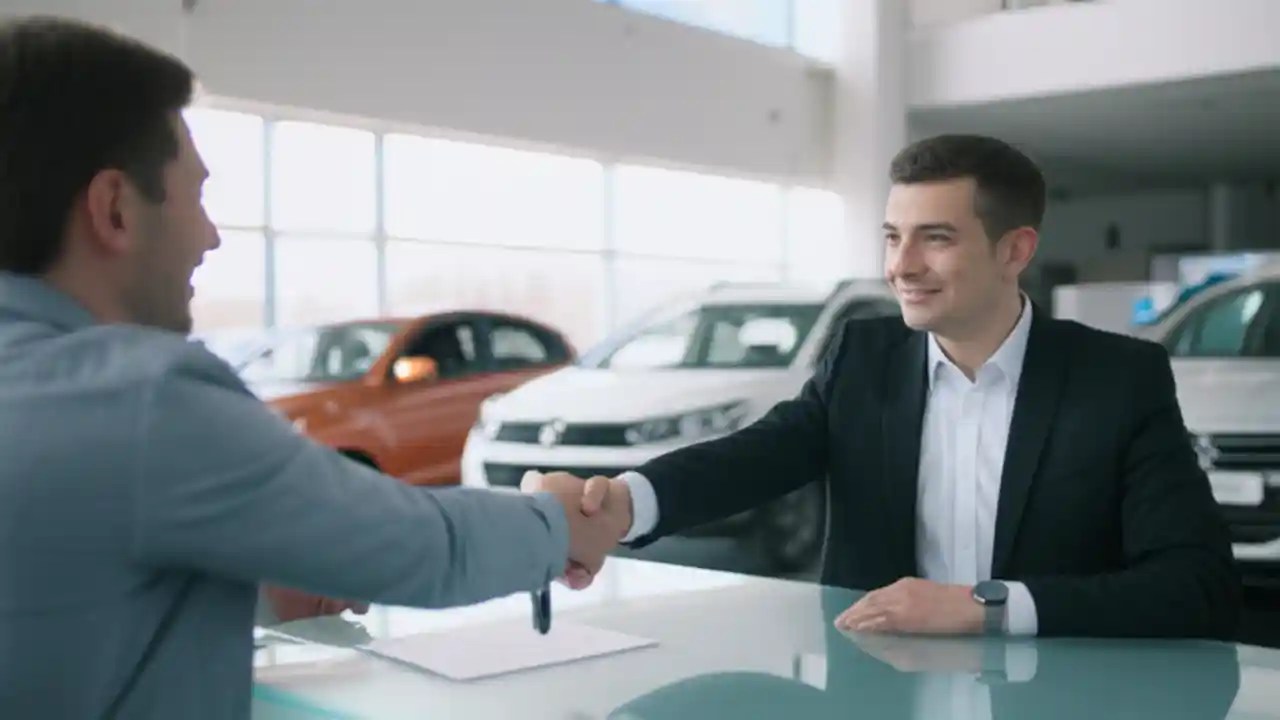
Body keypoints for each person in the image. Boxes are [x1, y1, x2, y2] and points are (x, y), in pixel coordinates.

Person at [0, 16, 626, 719]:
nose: (209, 236)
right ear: (114, 208)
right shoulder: (140, 397)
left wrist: (257, 581)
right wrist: (560, 522)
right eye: (196, 196)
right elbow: (425, 548)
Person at [527, 133, 1241, 639]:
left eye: (935, 237)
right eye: (892, 236)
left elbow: (1193, 585)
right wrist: (620, 504)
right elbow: (757, 456)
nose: (902, 265)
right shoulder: (863, 357)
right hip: (881, 694)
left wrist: (984, 607)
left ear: (1014, 250)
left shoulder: (1117, 379)